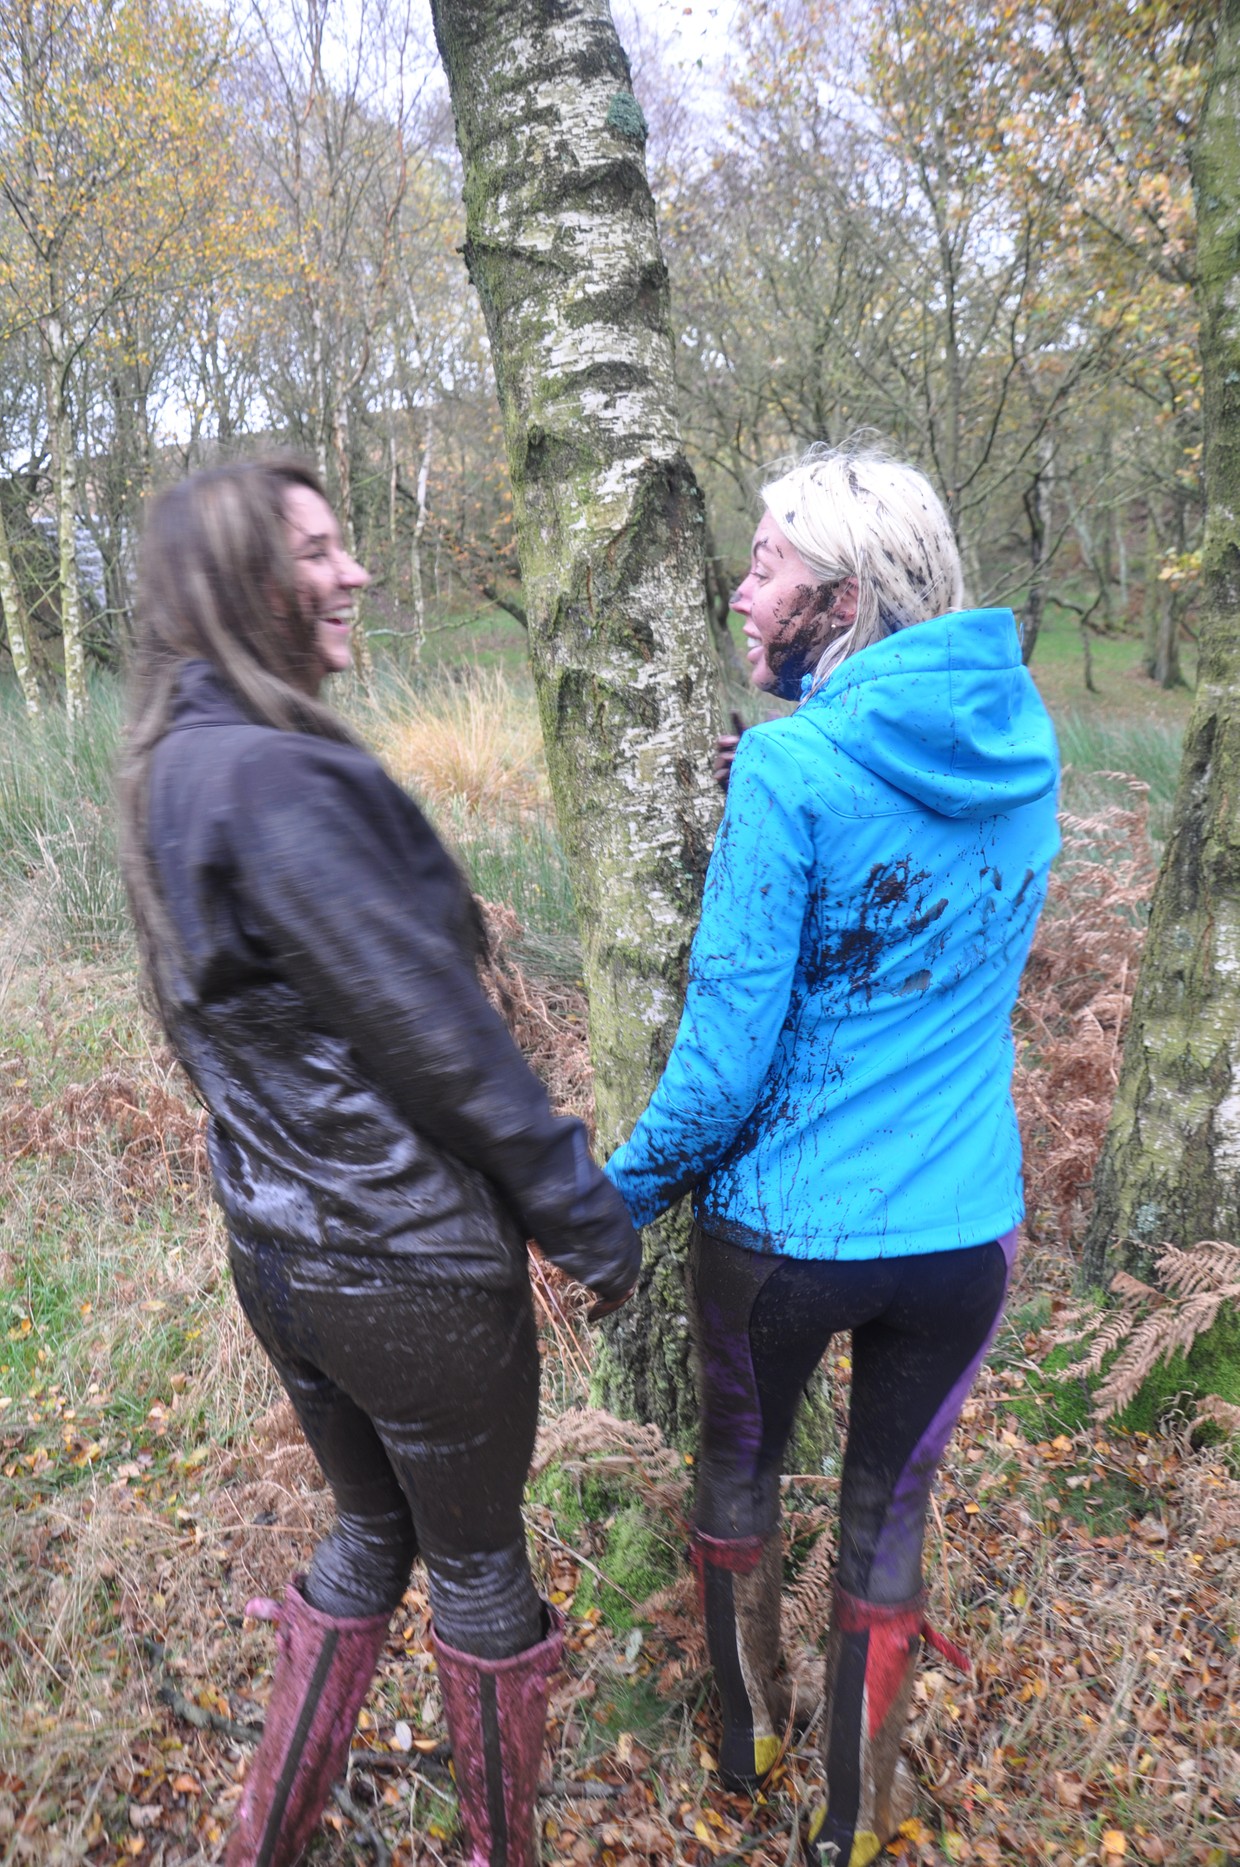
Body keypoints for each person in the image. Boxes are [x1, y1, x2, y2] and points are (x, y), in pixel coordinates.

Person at [117, 459, 640, 1867]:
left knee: (369, 1532)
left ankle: (265, 1840)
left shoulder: (173, 766)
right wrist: (583, 1213)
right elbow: (438, 1037)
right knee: (478, 1567)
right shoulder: (275, 776)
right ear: (242, 583)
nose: (352, 573)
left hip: (281, 1260)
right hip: (405, 1267)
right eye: (316, 552)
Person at [603, 444, 1060, 1866]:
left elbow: (720, 1074)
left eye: (766, 569)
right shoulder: (1026, 748)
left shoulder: (792, 770)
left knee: (739, 1477)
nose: (741, 594)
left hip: (786, 1239)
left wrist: (605, 1200)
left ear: (843, 601)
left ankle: (745, 1751)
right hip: (965, 1235)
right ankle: (854, 1823)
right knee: (889, 1513)